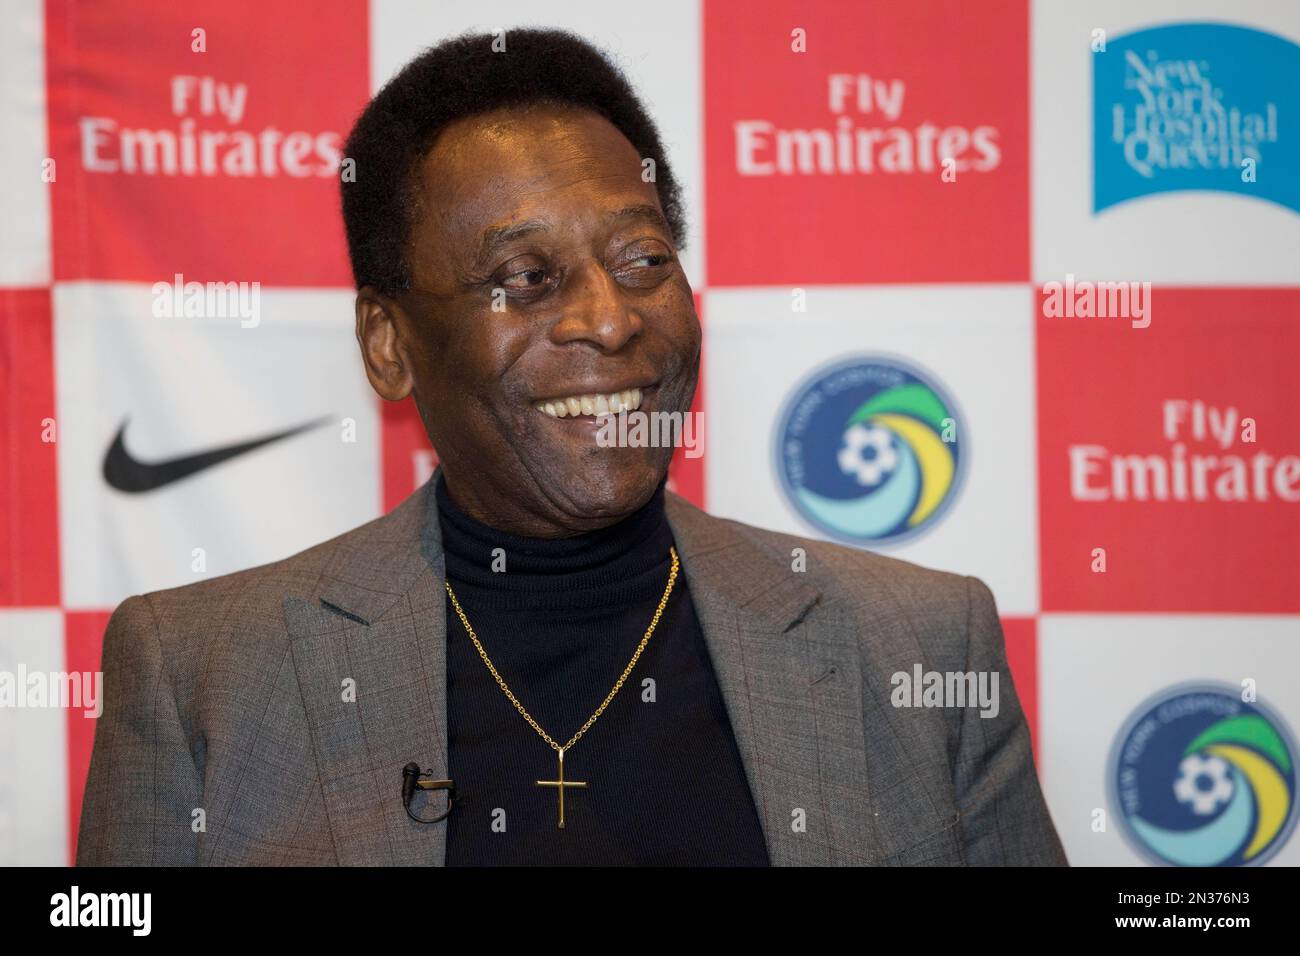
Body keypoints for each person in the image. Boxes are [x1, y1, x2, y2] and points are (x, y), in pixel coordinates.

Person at [76, 28, 1066, 866]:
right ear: (388, 343)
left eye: (643, 259)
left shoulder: (920, 645)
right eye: (527, 277)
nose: (609, 318)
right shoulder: (200, 675)